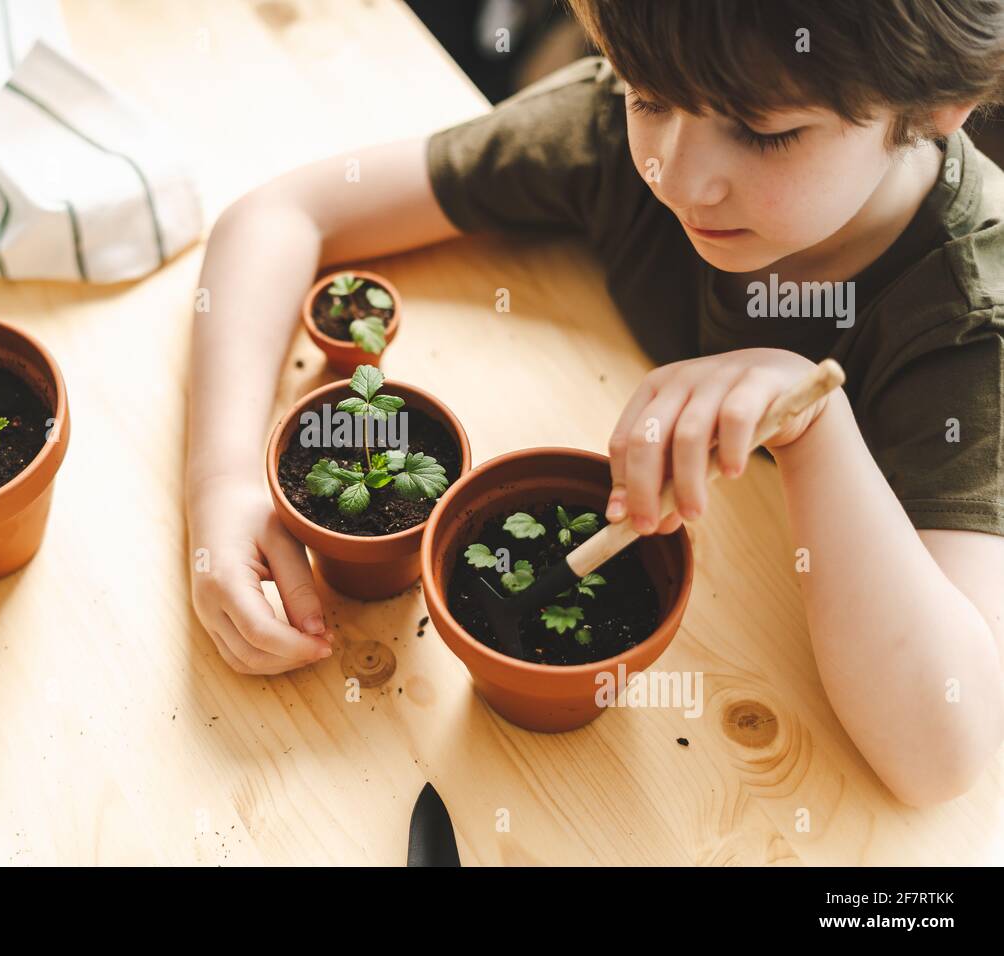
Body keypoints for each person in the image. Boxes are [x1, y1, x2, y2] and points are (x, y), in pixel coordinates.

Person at [186, 0, 1004, 806]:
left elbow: (939, 753)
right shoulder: (627, 121)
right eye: (648, 98)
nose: (677, 178)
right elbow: (280, 215)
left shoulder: (968, 318)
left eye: (764, 132)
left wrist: (815, 423)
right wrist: (223, 482)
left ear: (937, 105)